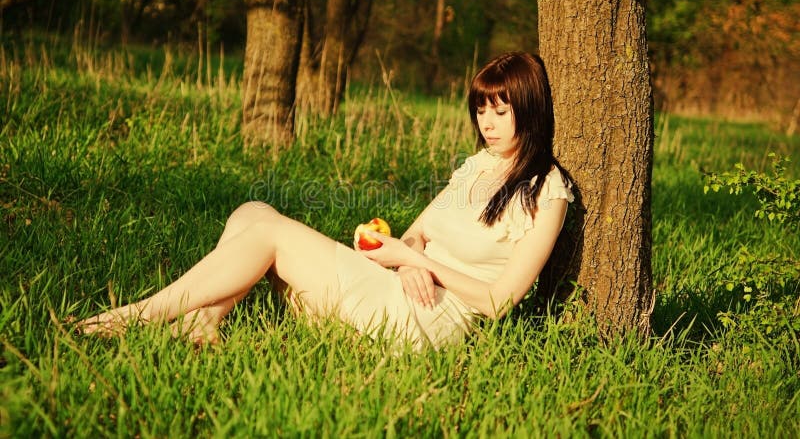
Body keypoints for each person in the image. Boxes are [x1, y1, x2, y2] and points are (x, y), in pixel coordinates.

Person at [77, 51, 574, 350]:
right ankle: (205, 323)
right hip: (401, 286)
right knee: (253, 211)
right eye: (481, 109)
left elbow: (500, 299)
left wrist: (413, 262)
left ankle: (135, 317)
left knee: (268, 232)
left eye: (500, 110)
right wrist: (408, 260)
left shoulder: (545, 190)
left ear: (528, 110)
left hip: (425, 325)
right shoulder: (479, 165)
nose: (487, 122)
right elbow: (416, 234)